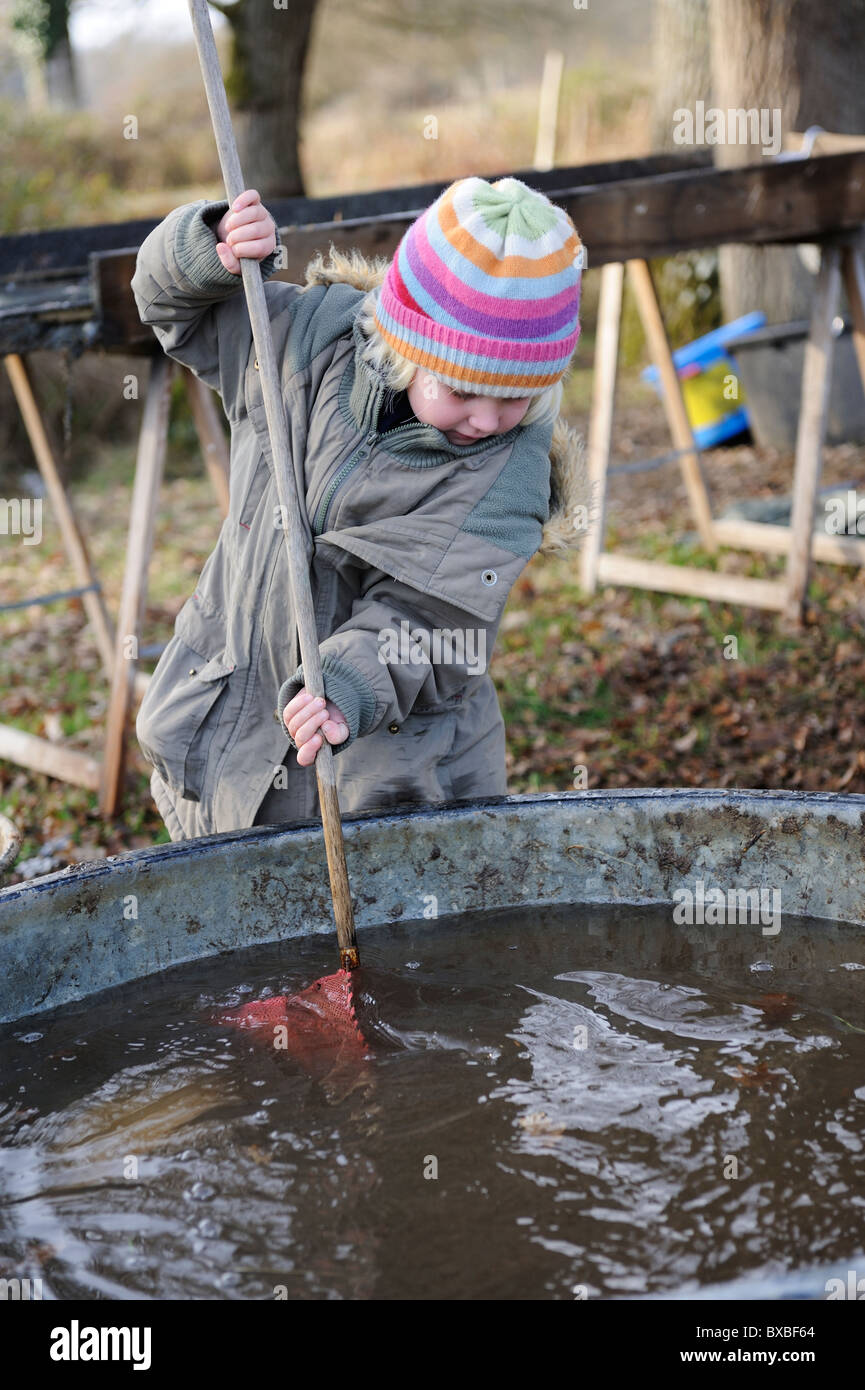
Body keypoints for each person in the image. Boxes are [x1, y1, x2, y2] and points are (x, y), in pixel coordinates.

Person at [130, 175, 590, 841]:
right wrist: (212, 255)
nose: (489, 419)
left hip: (383, 774)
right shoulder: (298, 343)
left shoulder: (505, 474)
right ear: (405, 347)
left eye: (516, 397)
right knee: (241, 926)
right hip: (228, 721)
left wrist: (347, 685)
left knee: (375, 935)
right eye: (463, 388)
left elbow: (432, 620)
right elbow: (176, 312)